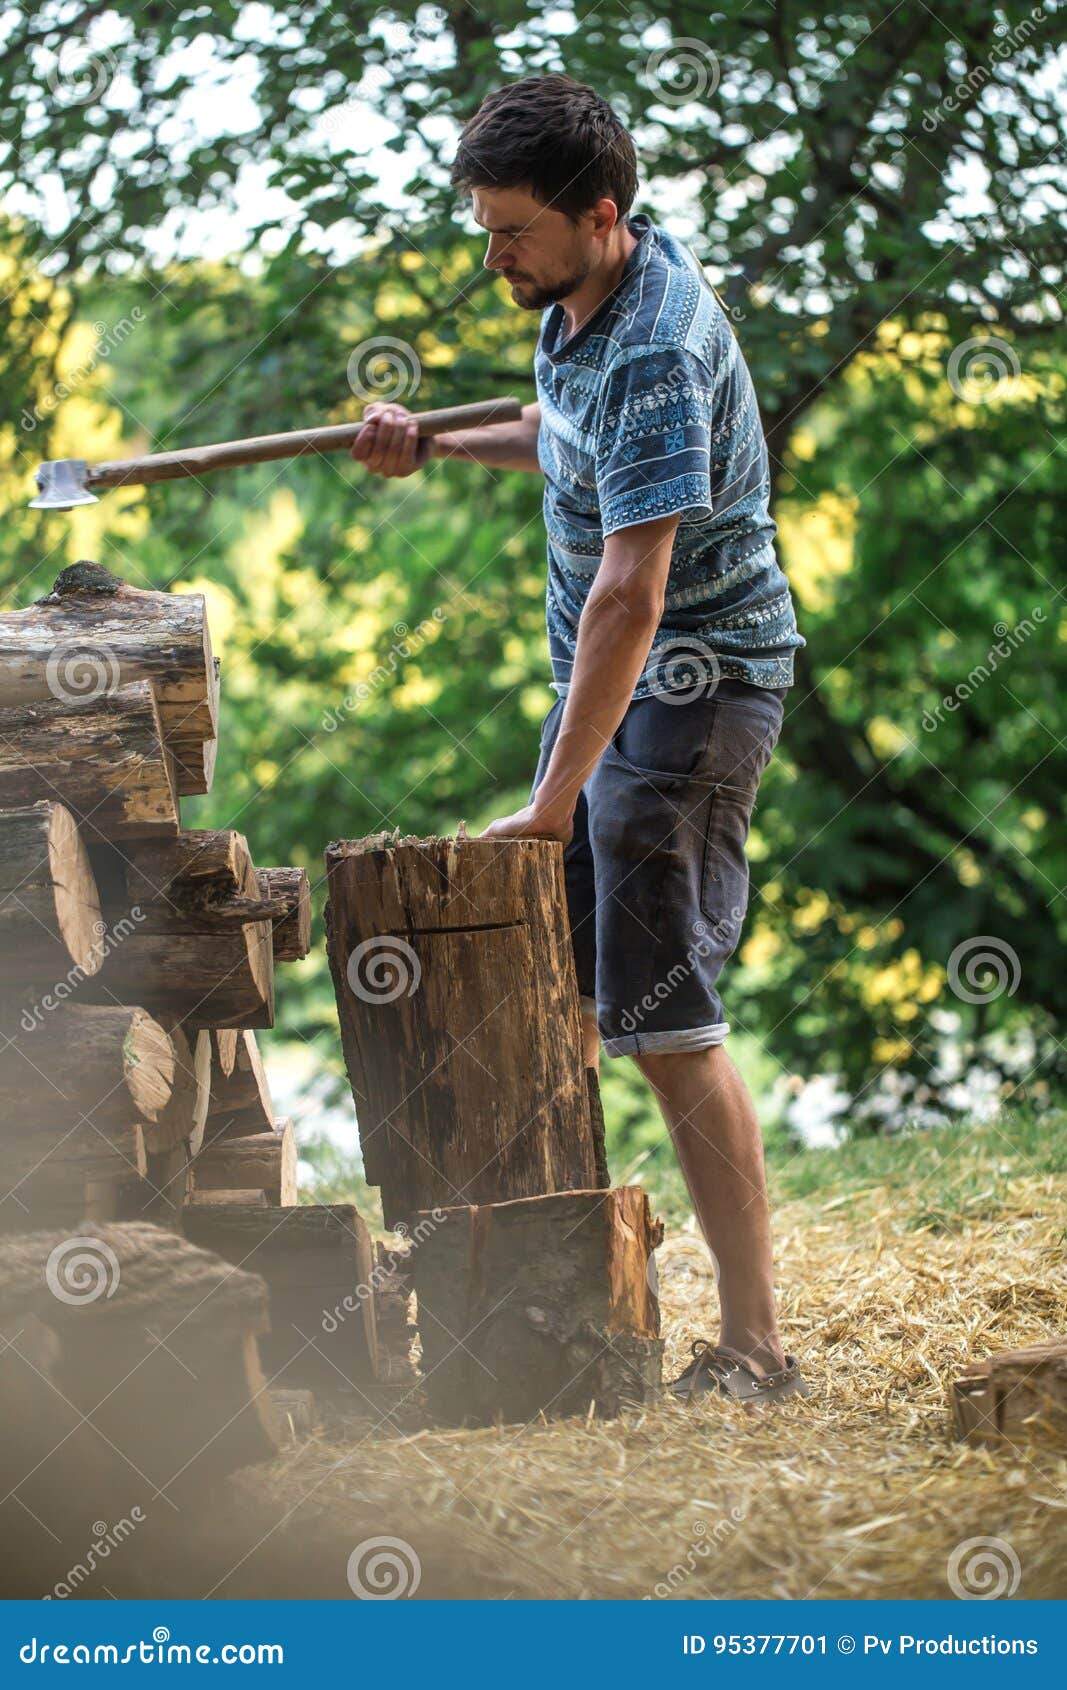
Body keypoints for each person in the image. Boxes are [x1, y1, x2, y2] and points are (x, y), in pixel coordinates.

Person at [351, 74, 809, 1405]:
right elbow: (562, 436)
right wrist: (428, 440)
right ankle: (558, 1307)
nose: (491, 254)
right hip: (625, 690)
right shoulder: (578, 301)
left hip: (695, 686)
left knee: (670, 1017)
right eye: (484, 227)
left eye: (512, 233)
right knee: (571, 977)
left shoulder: (658, 346)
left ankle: (760, 1347)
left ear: (599, 214)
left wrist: (556, 799)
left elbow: (632, 592)